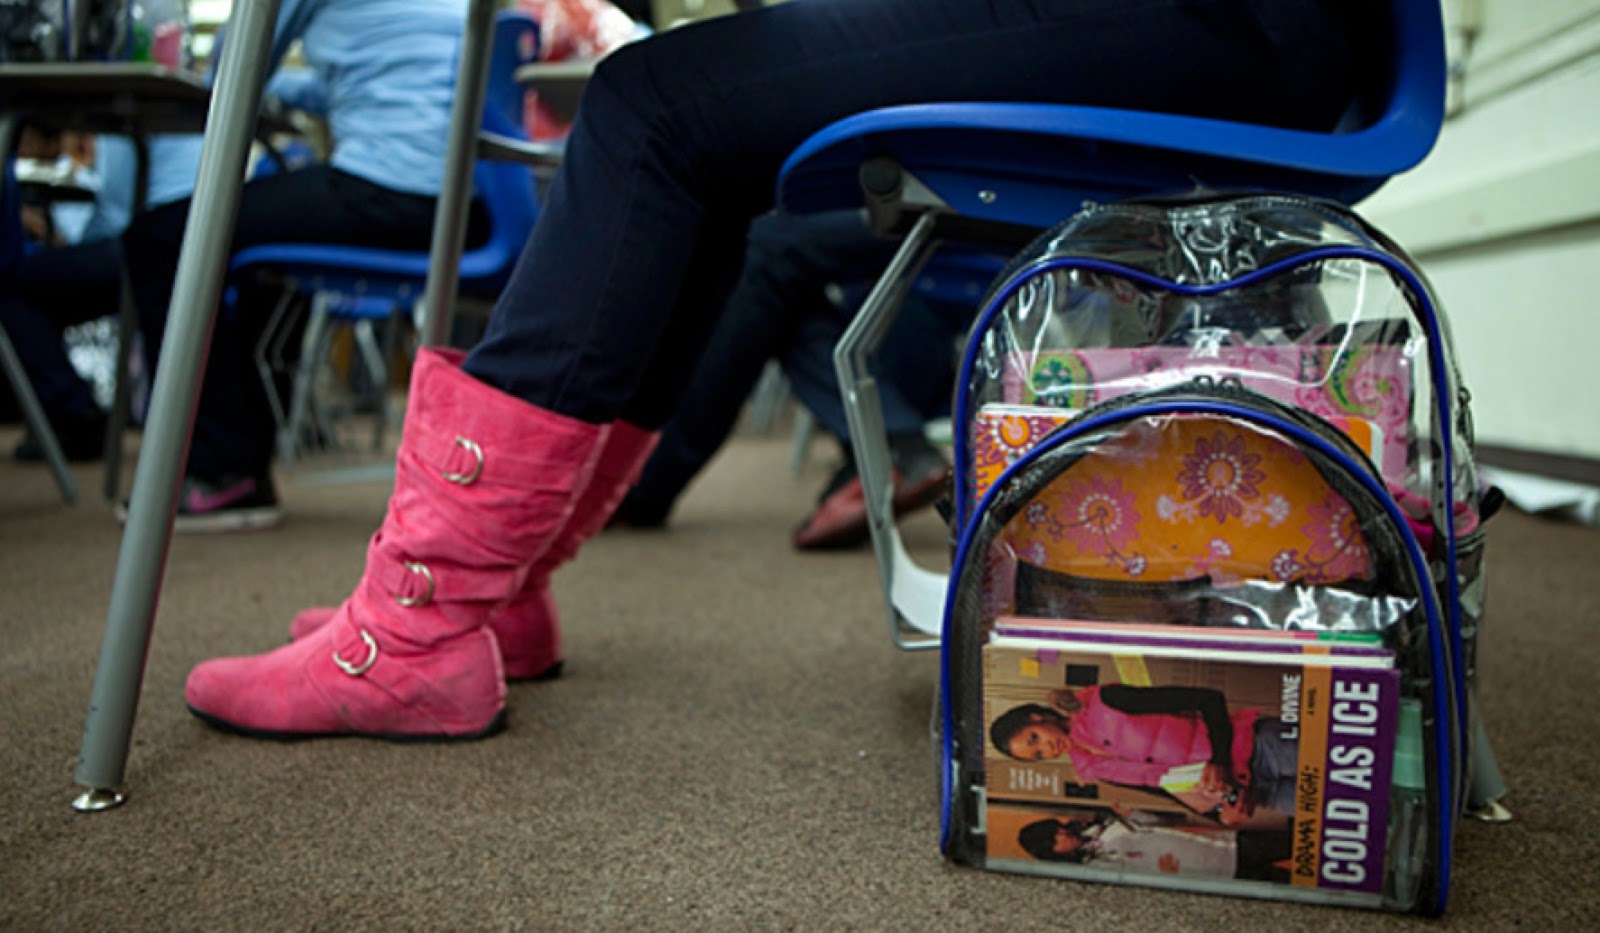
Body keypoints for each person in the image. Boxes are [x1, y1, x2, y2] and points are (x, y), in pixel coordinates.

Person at [180, 0, 1387, 740]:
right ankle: (491, 594)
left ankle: (415, 633)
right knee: (696, 137)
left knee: (650, 103)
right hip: (1264, 26)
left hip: (1220, 20)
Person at [120, 0, 489, 532]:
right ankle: (238, 458)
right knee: (258, 260)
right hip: (468, 201)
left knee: (160, 238)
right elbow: (377, 77)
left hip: (385, 188)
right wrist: (296, 91)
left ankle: (222, 469)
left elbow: (238, 64)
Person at [612, 208, 965, 550]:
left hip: (967, 191)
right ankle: (893, 444)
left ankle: (642, 489)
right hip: (935, 187)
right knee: (781, 285)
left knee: (759, 249)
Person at [1, 131, 203, 462]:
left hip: (160, 245)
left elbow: (117, 216)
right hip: (203, 241)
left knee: (14, 289)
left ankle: (76, 414)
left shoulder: (125, 119)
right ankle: (72, 413)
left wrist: (68, 244)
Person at [989, 687, 1297, 824]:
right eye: (1038, 754)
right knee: (1338, 810)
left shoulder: (1106, 701)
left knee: (1343, 762)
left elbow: (1208, 699)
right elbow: (1166, 791)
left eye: (1035, 739)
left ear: (1036, 717)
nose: (1047, 749)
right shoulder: (1090, 769)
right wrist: (1221, 815)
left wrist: (1218, 759)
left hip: (1262, 747)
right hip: (1253, 792)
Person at [1017, 808, 1293, 883]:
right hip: (1219, 873)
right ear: (1053, 854)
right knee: (1295, 881)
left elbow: (1155, 821)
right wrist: (1165, 875)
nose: (1063, 835)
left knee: (1300, 845)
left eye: (1058, 830)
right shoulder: (1097, 868)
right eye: (1055, 841)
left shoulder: (1098, 827)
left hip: (1222, 842)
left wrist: (1128, 812)